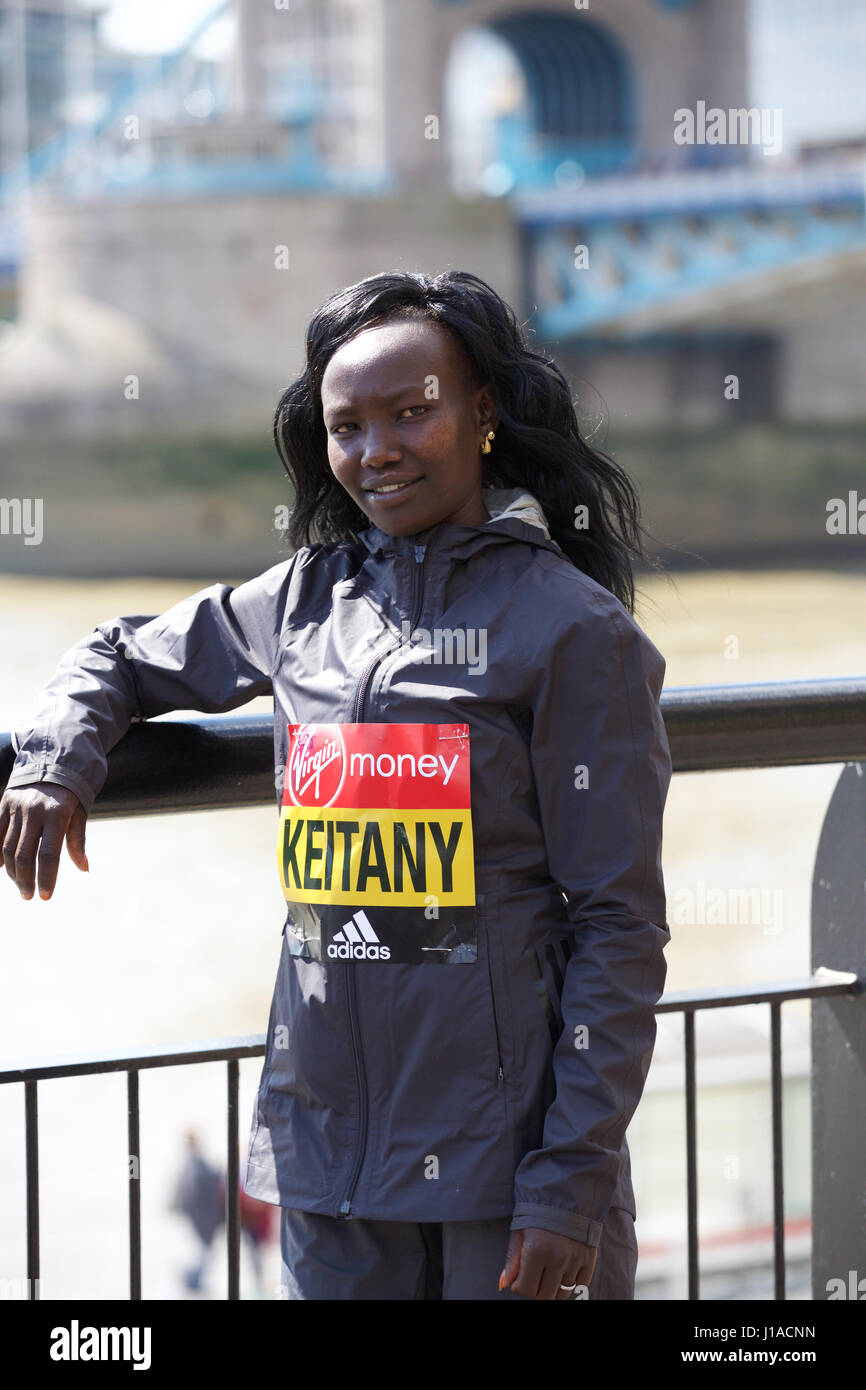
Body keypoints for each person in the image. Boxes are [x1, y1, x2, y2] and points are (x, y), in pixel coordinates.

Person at [1, 269, 672, 1301]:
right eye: (345, 425)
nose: (376, 450)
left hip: (500, 1173)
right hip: (324, 1169)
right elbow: (120, 655)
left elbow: (619, 924)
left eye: (412, 413)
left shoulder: (573, 633)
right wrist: (54, 764)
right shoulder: (302, 603)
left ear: (482, 413)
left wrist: (568, 1184)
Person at [169, 1131, 225, 1295]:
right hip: (202, 1217)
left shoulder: (192, 1164)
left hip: (201, 1217)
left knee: (203, 1251)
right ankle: (192, 1279)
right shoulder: (195, 1164)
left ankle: (193, 1279)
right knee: (202, 1251)